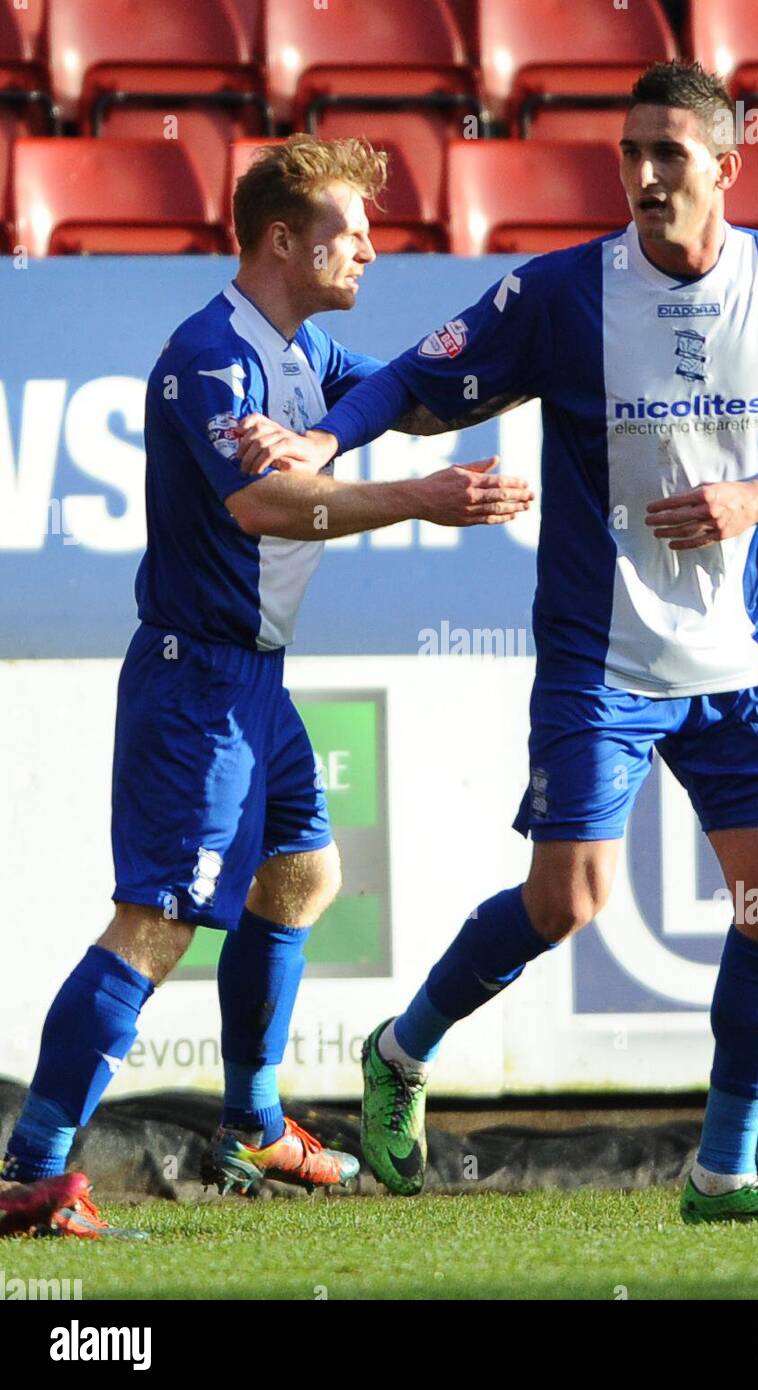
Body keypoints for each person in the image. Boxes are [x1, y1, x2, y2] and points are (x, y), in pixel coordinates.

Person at [239, 63, 758, 1222]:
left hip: (744, 663)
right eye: (630, 152)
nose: (642, 175)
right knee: (567, 901)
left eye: (669, 156)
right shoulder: (561, 293)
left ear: (725, 169)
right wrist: (324, 443)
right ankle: (401, 1049)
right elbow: (413, 378)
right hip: (605, 664)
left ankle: (723, 1170)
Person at [0, 135, 532, 1239]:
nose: (374, 253)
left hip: (254, 686)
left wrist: (530, 348)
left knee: (301, 876)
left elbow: (409, 398)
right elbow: (267, 507)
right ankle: (31, 1172)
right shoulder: (210, 355)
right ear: (284, 240)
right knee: (153, 926)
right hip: (197, 686)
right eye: (354, 234)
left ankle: (250, 1123)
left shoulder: (303, 353)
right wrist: (422, 500)